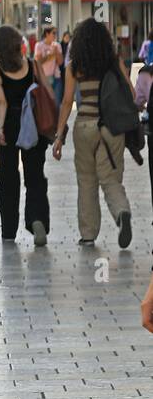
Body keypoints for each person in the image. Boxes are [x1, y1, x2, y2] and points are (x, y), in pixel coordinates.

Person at [52, 18, 136, 248]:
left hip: (84, 127)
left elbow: (67, 102)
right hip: (110, 128)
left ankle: (88, 234)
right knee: (110, 179)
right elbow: (130, 91)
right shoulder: (114, 62)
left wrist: (59, 136)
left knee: (86, 181)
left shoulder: (74, 66)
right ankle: (122, 213)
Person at [0, 25, 50, 246]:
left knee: (8, 178)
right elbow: (47, 91)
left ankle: (8, 229)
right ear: (17, 46)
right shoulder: (33, 65)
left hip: (11, 126)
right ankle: (37, 219)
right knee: (35, 176)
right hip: (33, 125)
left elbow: (1, 102)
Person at [34, 27, 64, 108]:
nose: (55, 35)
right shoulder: (39, 45)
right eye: (53, 33)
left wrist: (56, 52)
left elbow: (60, 62)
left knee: (56, 104)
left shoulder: (57, 45)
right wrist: (50, 55)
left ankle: (56, 120)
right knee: (44, 104)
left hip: (56, 77)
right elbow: (38, 62)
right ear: (47, 34)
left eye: (56, 33)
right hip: (43, 78)